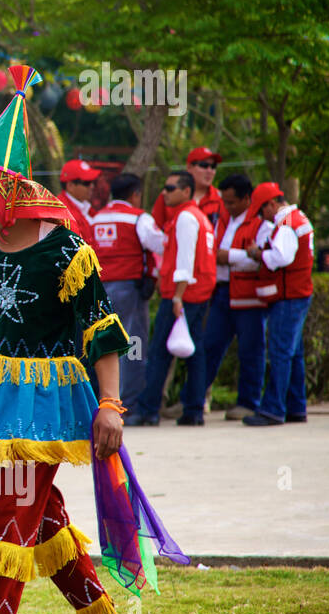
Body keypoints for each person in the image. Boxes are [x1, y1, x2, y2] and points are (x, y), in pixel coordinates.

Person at [0, 65, 144, 614]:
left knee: (3, 516)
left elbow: (102, 333)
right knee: (38, 516)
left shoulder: (66, 248)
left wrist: (110, 404)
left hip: (49, 405)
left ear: (8, 192)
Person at [130, 171, 216, 426]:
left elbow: (185, 260)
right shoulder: (196, 216)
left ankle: (148, 411)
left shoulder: (186, 218)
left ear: (186, 191)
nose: (164, 193)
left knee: (160, 353)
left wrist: (177, 297)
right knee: (194, 352)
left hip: (182, 296)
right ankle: (193, 409)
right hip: (194, 294)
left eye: (170, 188)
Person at [90, 173, 165, 416]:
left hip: (100, 290)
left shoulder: (95, 219)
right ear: (135, 194)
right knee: (133, 344)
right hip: (130, 290)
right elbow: (159, 244)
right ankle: (129, 404)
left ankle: (104, 402)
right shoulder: (138, 218)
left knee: (104, 344)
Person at [243, 183, 314, 427]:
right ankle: (296, 407)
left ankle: (273, 409)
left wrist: (258, 255)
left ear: (272, 204)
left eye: (262, 212)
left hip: (288, 297)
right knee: (294, 355)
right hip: (299, 294)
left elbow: (281, 258)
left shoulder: (285, 225)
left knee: (281, 353)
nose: (262, 218)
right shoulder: (299, 217)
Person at [201, 174, 266, 420]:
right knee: (210, 346)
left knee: (251, 349)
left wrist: (231, 257)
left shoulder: (261, 223)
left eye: (231, 202)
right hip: (222, 291)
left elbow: (263, 258)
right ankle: (194, 399)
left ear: (247, 199)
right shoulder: (222, 219)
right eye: (224, 201)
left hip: (248, 294)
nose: (227, 206)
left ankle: (249, 402)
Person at [151, 147, 227, 230]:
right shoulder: (169, 194)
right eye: (204, 165)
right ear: (189, 167)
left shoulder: (222, 198)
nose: (209, 170)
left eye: (213, 166)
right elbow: (156, 231)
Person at [57, 159, 100, 244]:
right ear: (70, 186)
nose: (92, 186)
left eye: (93, 182)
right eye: (87, 183)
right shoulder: (62, 212)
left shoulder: (85, 207)